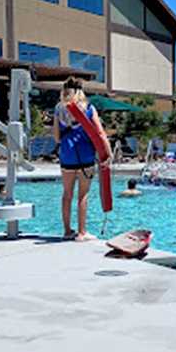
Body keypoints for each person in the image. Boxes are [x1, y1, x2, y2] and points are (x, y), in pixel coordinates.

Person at [54, 75, 111, 241]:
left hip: (66, 157)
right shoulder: (89, 109)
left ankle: (66, 231)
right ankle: (81, 232)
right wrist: (108, 154)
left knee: (67, 194)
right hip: (85, 157)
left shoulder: (59, 109)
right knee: (83, 195)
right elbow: (100, 134)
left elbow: (57, 138)